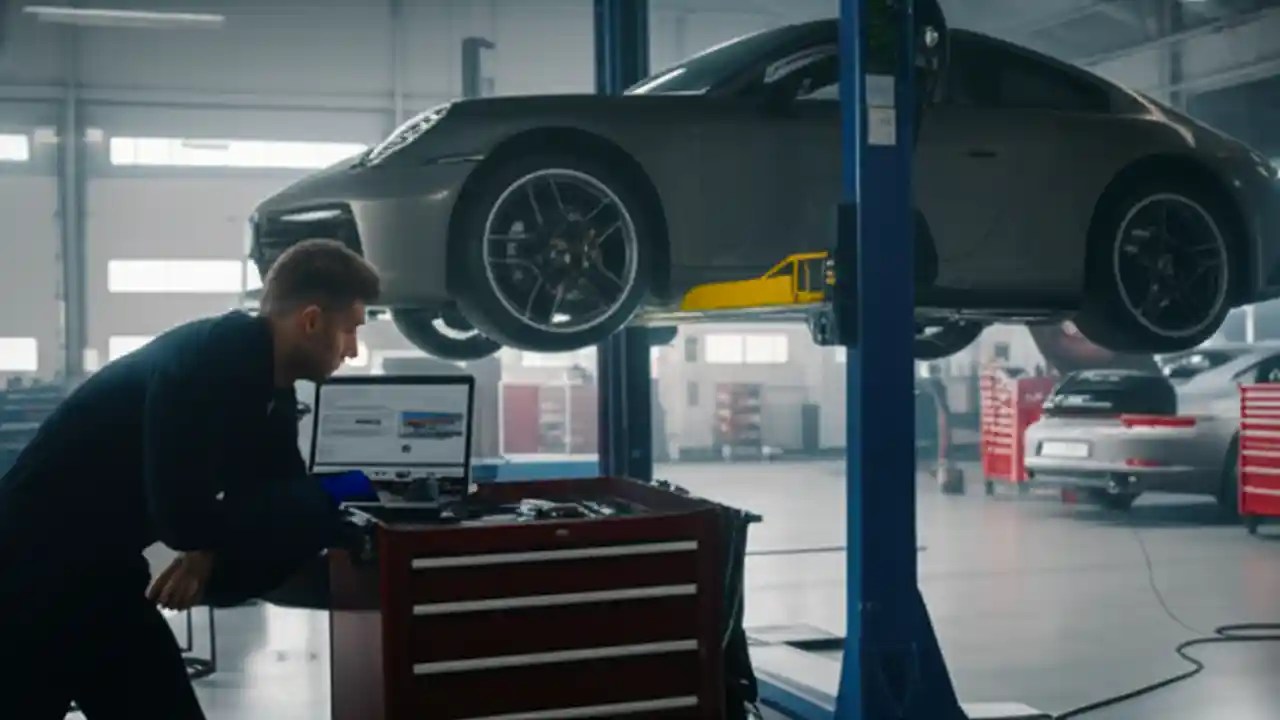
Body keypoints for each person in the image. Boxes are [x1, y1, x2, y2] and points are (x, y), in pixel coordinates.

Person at [0, 238, 380, 719]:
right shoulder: (216, 355)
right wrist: (200, 550)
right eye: (350, 330)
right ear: (310, 321)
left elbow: (281, 495)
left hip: (100, 571)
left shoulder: (269, 391)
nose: (352, 350)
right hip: (29, 569)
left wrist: (354, 496)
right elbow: (178, 497)